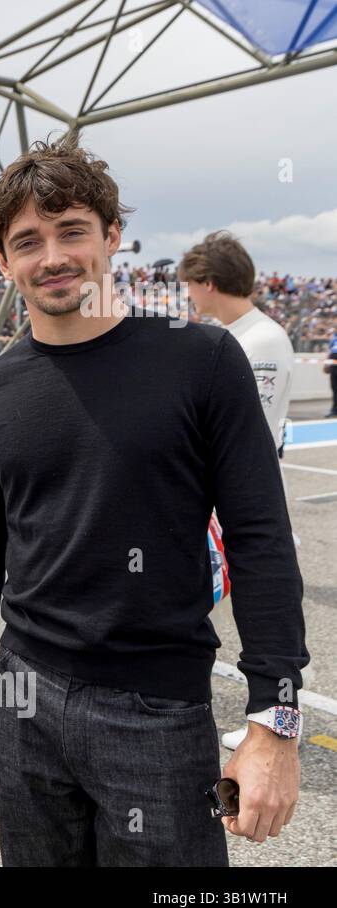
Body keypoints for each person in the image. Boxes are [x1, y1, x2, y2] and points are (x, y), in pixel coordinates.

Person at [0, 137, 308, 865]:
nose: (52, 257)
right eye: (27, 241)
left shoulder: (202, 360)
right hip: (23, 698)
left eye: (72, 231)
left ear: (112, 236)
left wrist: (276, 720)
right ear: (3, 262)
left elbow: (260, 536)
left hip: (158, 711)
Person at [180, 232, 299, 752]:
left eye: (190, 285)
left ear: (209, 282)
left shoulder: (260, 340)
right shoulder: (239, 335)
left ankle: (273, 718)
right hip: (224, 494)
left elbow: (251, 432)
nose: (188, 295)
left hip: (239, 497)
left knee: (248, 609)